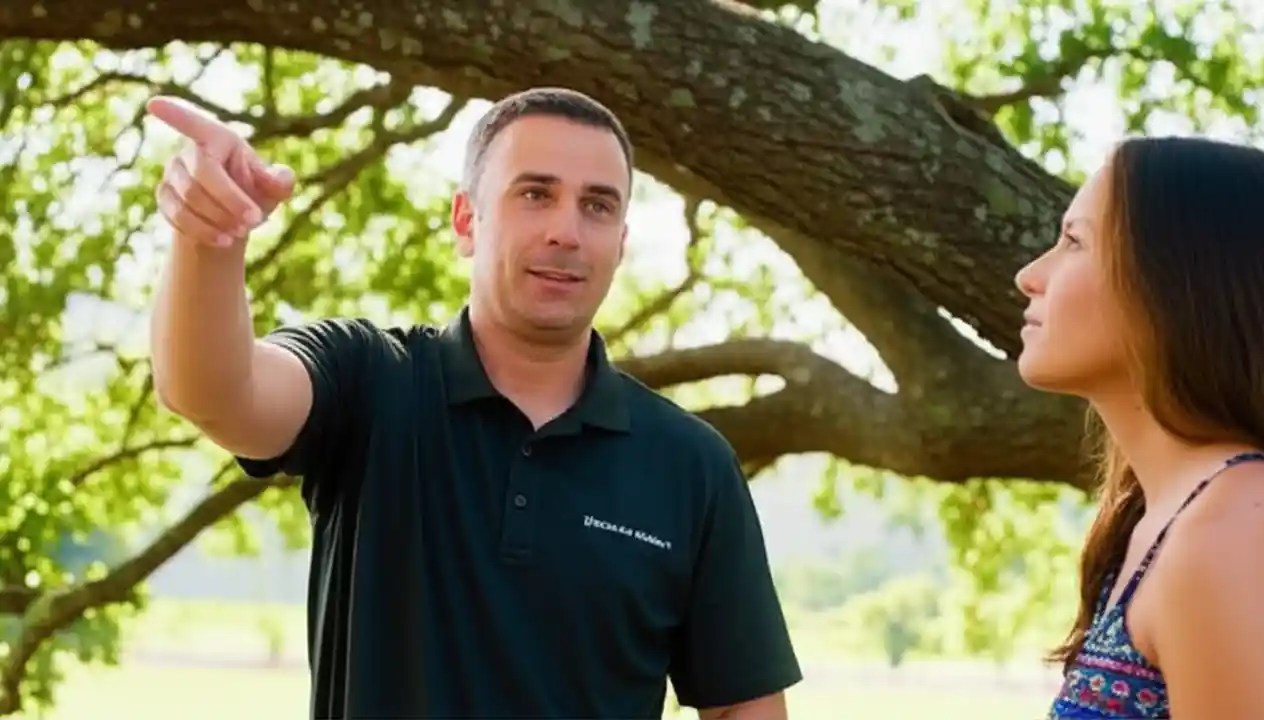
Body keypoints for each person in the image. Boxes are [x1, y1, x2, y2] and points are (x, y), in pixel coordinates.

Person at [145, 87, 801, 719]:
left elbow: (742, 701)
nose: (566, 231)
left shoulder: (690, 464)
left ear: (620, 243)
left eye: (598, 206)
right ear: (467, 220)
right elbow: (214, 392)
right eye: (535, 194)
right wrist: (210, 239)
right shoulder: (368, 382)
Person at [1014, 136, 1264, 719]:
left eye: (1073, 241)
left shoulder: (1239, 524)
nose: (1029, 276)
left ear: (1174, 281)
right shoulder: (1159, 519)